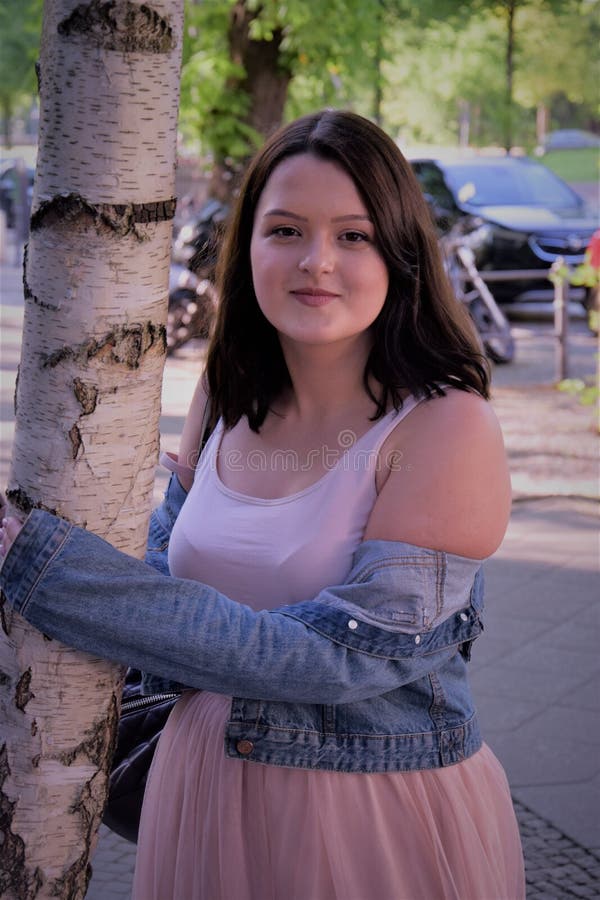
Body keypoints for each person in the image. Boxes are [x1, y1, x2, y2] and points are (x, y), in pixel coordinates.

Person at [0, 109, 525, 899]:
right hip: (200, 791)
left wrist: (60, 578)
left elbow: (340, 656)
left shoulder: (448, 426)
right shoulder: (225, 394)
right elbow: (163, 570)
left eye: (354, 236)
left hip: (365, 809)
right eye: (285, 230)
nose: (317, 261)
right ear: (247, 248)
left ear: (401, 256)